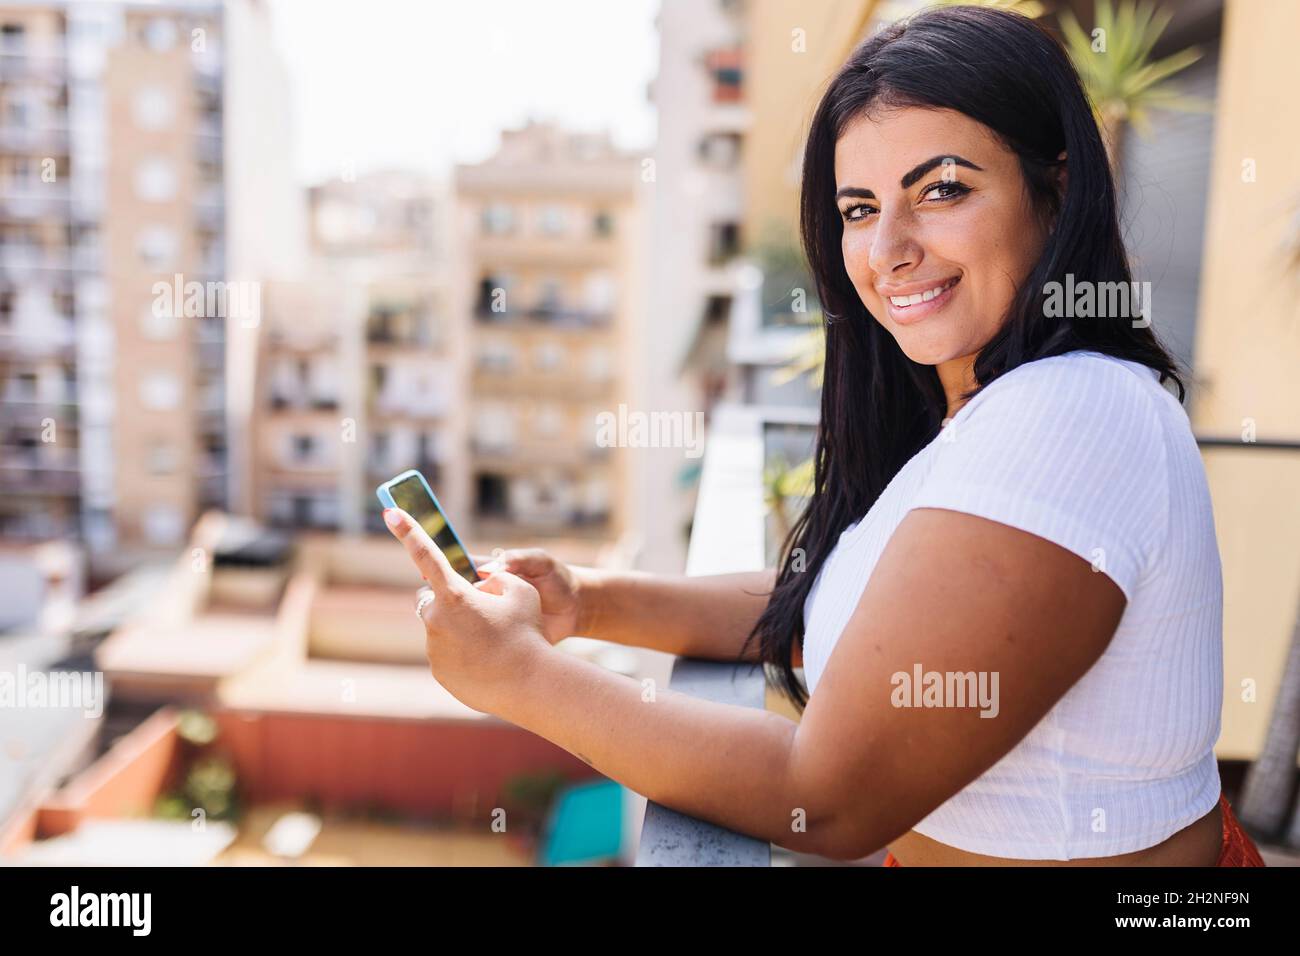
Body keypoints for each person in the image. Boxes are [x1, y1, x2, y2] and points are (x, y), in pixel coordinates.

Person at [382, 5, 1264, 866]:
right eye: (859, 208)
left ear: (1057, 190)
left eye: (943, 190)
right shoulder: (990, 407)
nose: (887, 250)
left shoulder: (1069, 416)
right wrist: (586, 600)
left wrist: (519, 677)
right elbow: (847, 608)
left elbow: (830, 796)